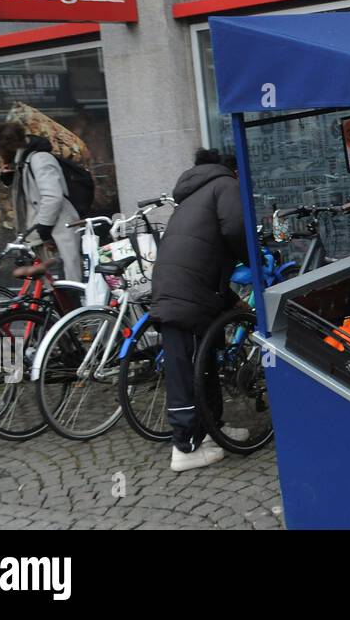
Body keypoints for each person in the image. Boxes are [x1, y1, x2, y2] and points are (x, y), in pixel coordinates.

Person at [150, 148, 250, 471]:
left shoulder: (193, 193)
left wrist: (228, 298)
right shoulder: (225, 185)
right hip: (186, 292)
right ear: (233, 170)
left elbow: (201, 252)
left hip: (180, 285)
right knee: (186, 366)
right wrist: (254, 259)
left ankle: (211, 430)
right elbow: (235, 229)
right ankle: (185, 447)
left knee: (201, 361)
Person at [0, 121, 83, 281]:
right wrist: (9, 177)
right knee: (56, 288)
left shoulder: (39, 160)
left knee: (65, 284)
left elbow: (52, 197)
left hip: (54, 232)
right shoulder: (24, 161)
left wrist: (44, 230)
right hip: (44, 233)